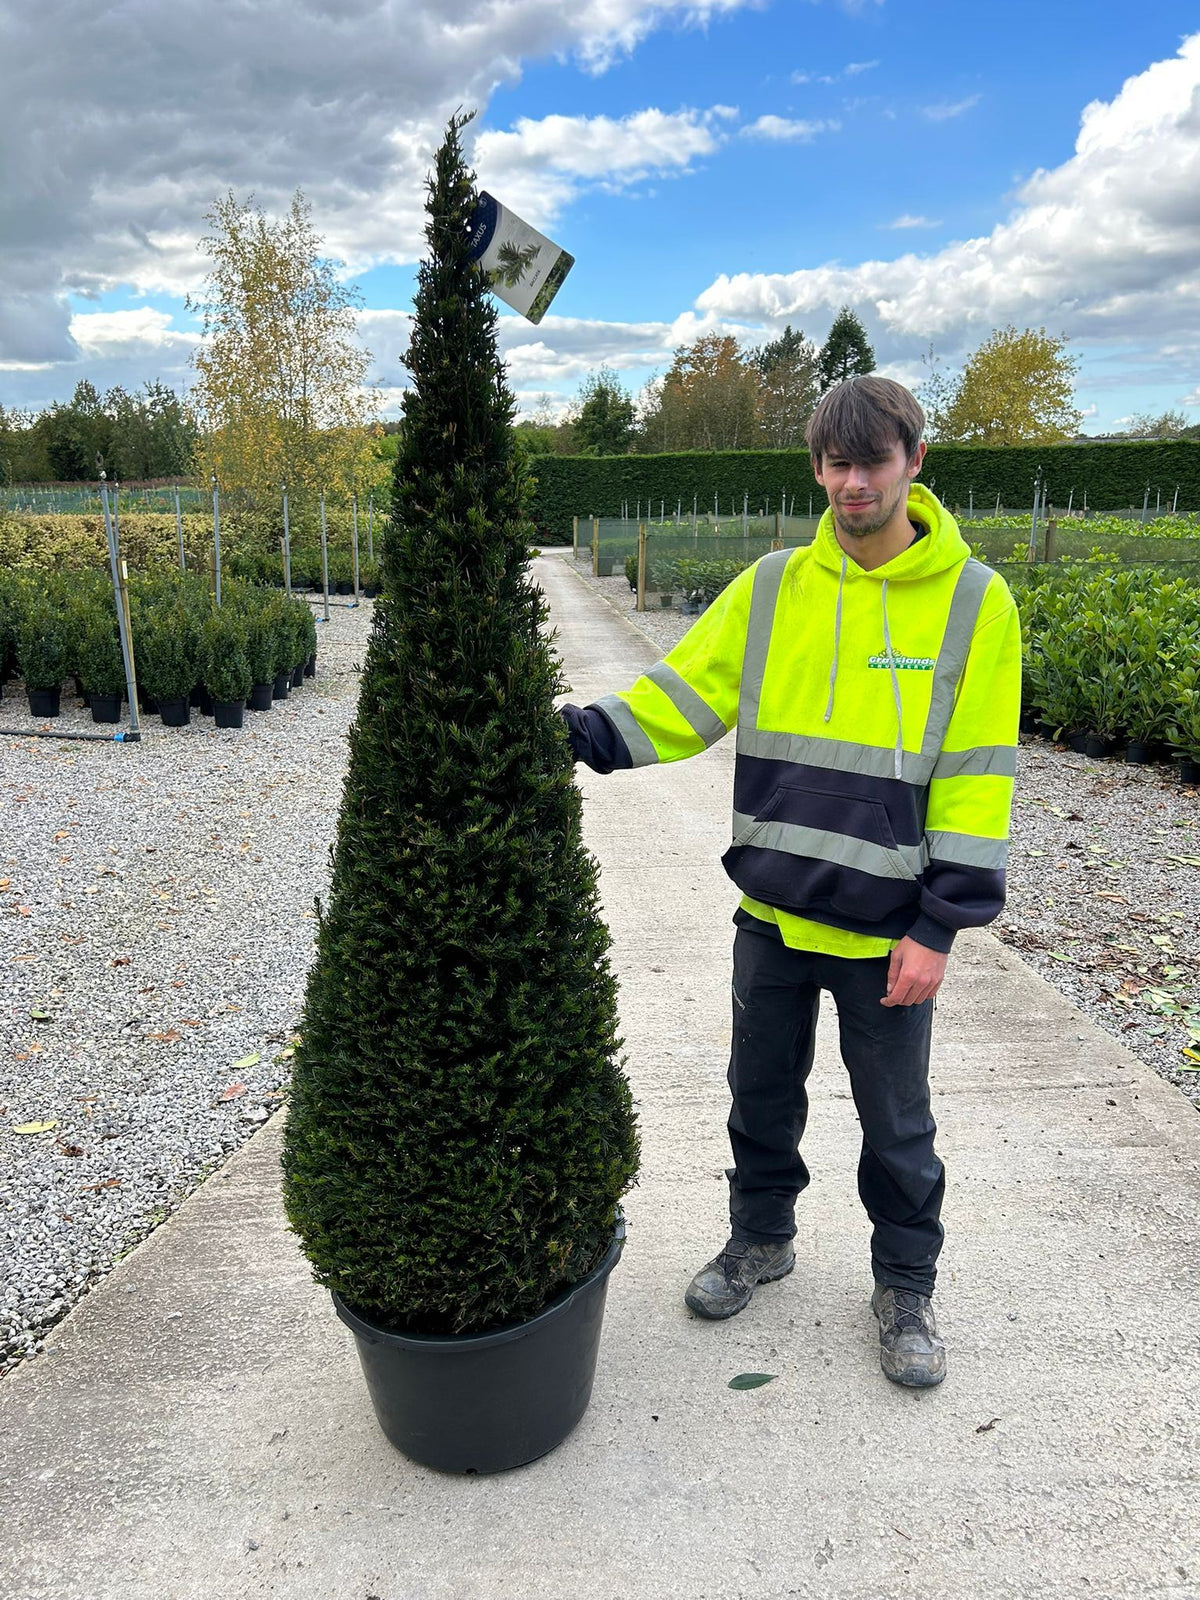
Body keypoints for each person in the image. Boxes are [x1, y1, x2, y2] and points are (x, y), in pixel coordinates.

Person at [560, 375, 1021, 1388]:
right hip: (771, 913)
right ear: (816, 466)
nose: (854, 483)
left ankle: (905, 1284)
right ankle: (760, 1238)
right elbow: (681, 696)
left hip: (887, 929)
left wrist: (941, 926)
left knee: (896, 1120)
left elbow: (980, 774)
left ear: (914, 461)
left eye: (875, 461)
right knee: (759, 1094)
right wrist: (575, 735)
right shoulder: (773, 586)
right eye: (836, 462)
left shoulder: (976, 603)